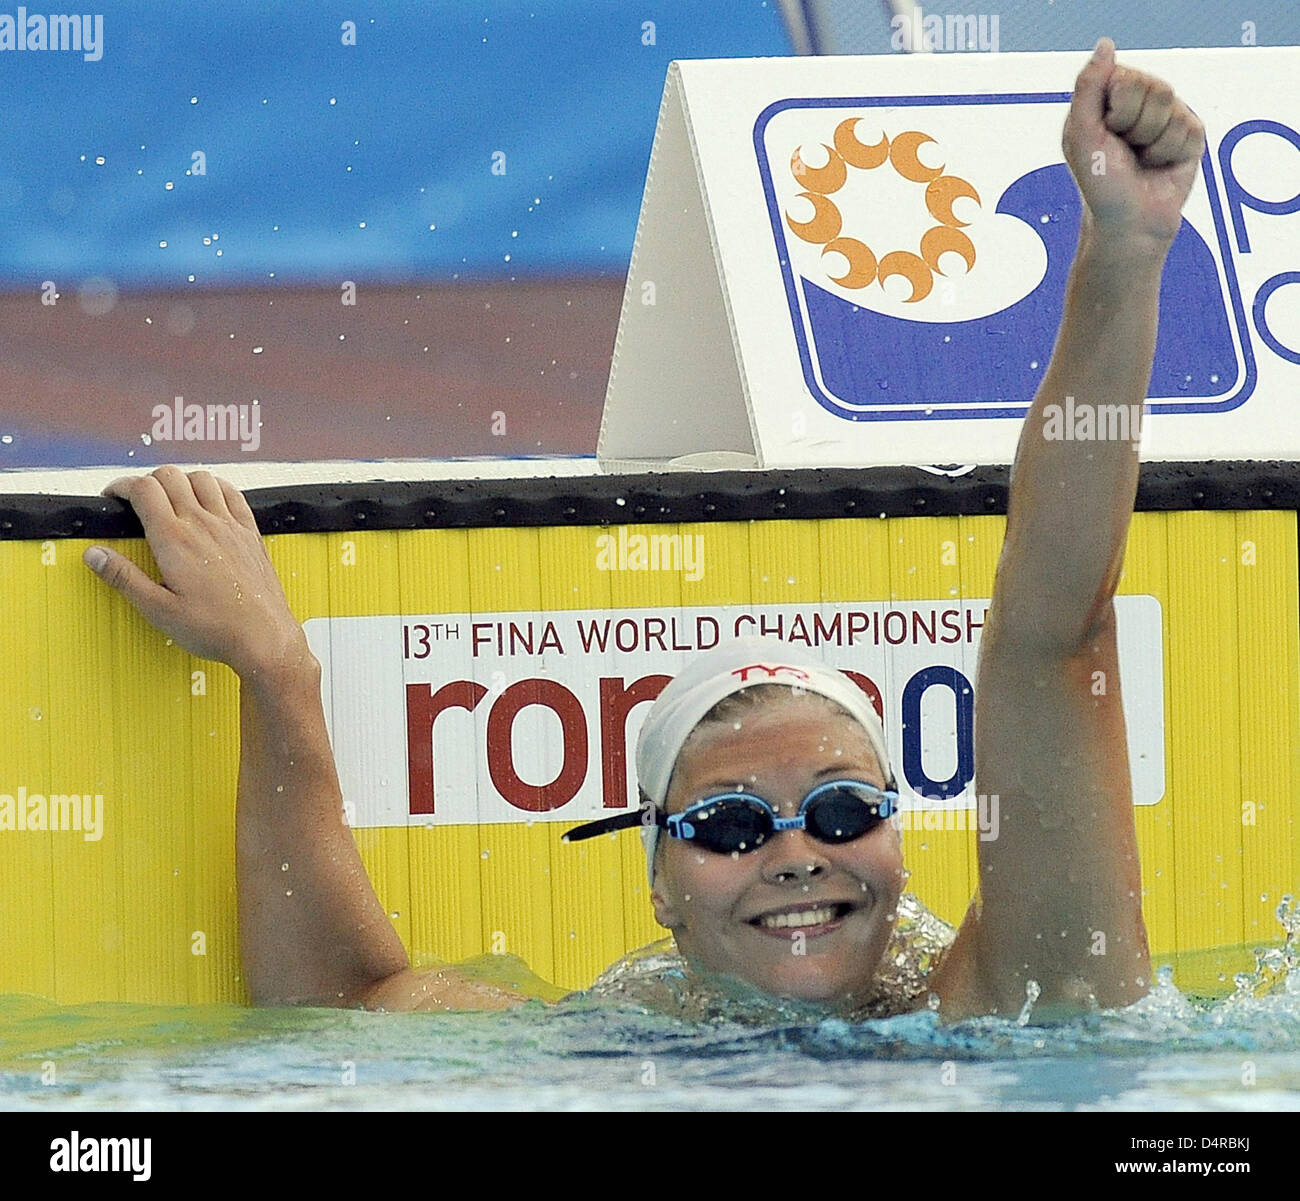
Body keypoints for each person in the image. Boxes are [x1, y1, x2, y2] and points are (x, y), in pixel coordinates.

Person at [84, 38, 1204, 1020]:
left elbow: (1055, 631)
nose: (794, 856)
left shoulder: (1016, 1002)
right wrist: (278, 673)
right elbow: (339, 999)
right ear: (660, 881)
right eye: (725, 824)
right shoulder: (613, 1044)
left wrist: (1123, 253)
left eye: (842, 807)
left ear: (899, 841)